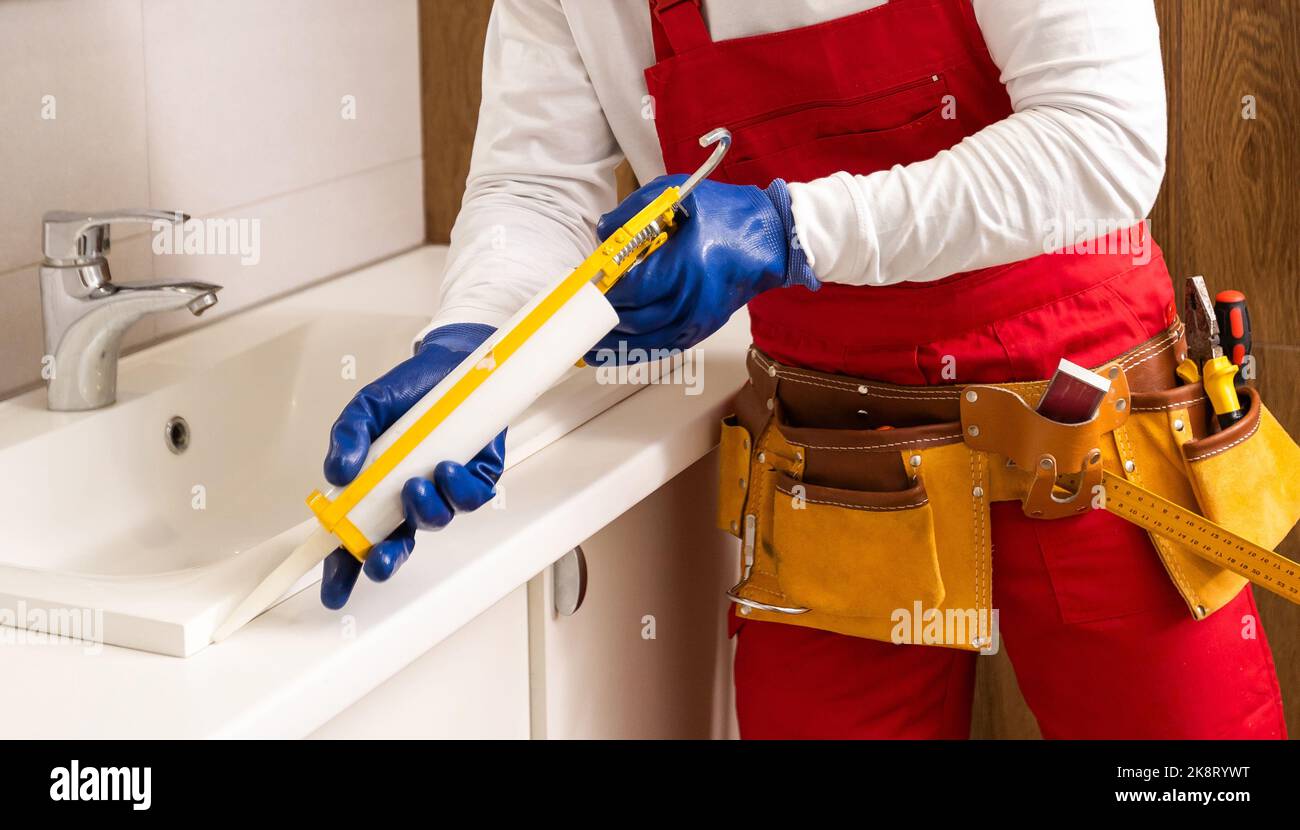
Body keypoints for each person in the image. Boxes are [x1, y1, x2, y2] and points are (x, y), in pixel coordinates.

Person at [320, 0, 1285, 739]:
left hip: (1093, 447)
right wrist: (475, 359)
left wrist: (789, 230)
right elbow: (535, 187)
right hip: (836, 476)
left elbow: (1102, 139)